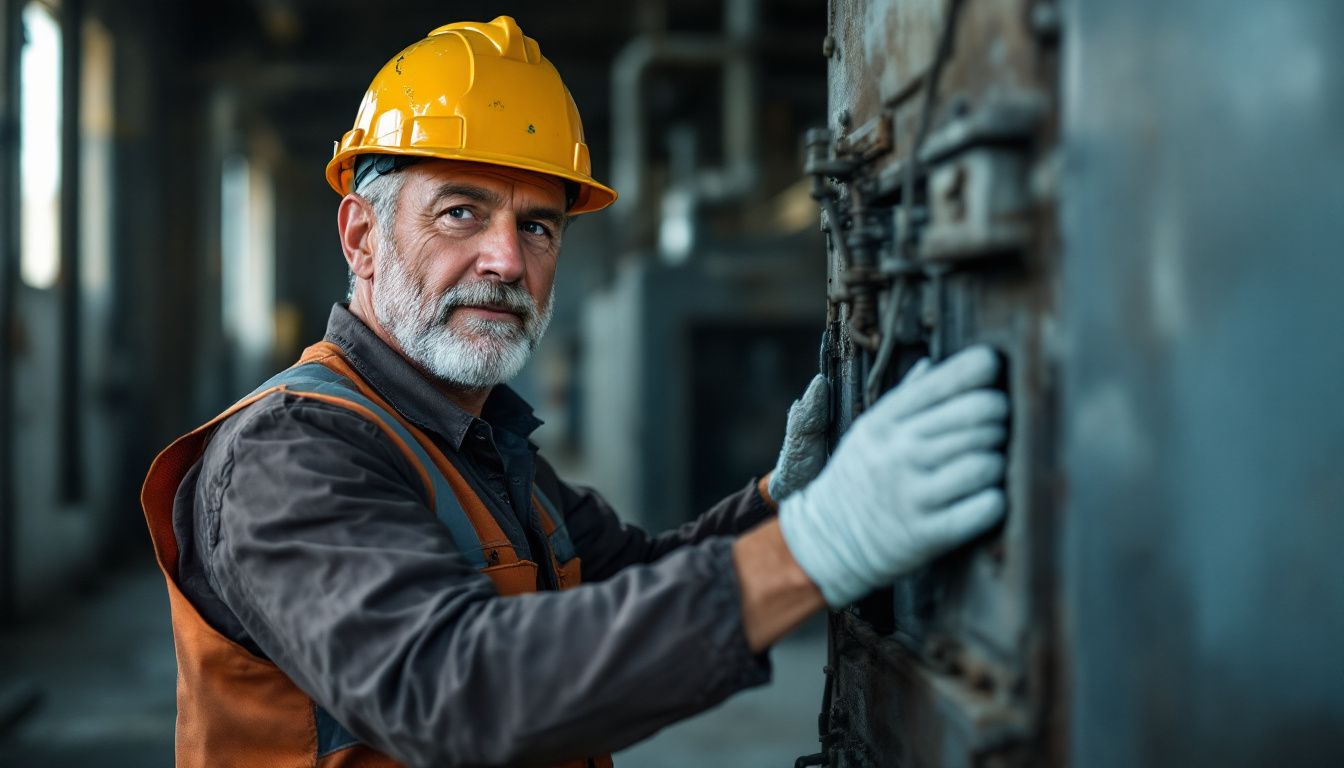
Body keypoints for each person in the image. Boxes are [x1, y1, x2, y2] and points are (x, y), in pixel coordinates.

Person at [141, 16, 1010, 768]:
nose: (507, 260)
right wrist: (820, 547)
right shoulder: (289, 457)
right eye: (461, 213)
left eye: (538, 225)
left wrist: (787, 504)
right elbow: (452, 692)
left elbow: (631, 581)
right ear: (362, 236)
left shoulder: (478, 444)